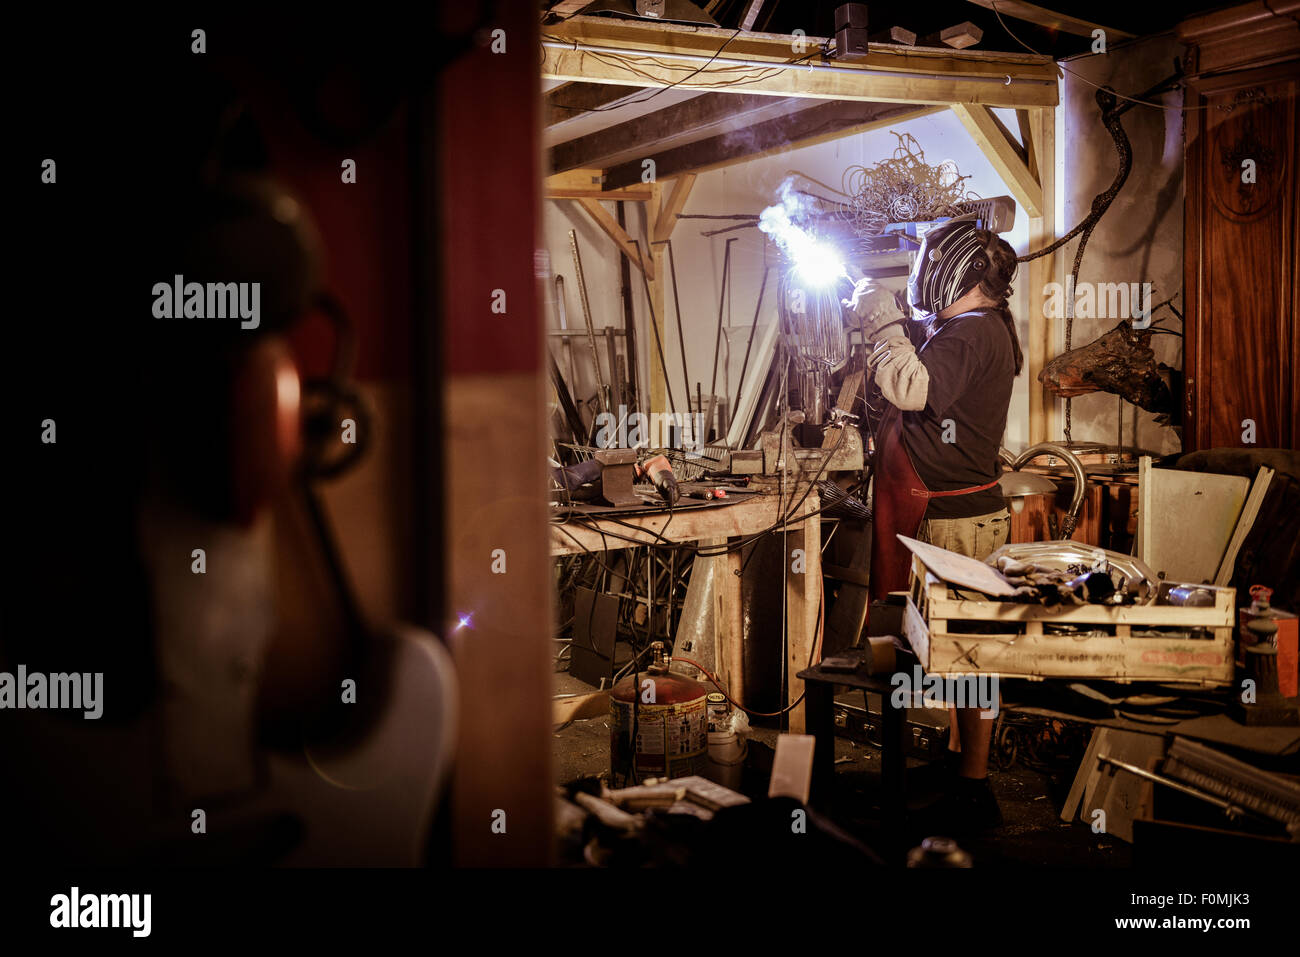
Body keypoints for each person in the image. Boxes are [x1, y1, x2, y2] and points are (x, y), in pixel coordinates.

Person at [848, 216, 1022, 833]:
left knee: (968, 659)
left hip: (956, 523)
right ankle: (957, 768)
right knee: (950, 657)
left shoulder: (972, 333)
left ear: (963, 274)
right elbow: (929, 349)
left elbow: (912, 386)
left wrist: (881, 322)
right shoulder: (974, 326)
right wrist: (893, 321)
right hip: (949, 515)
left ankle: (973, 789)